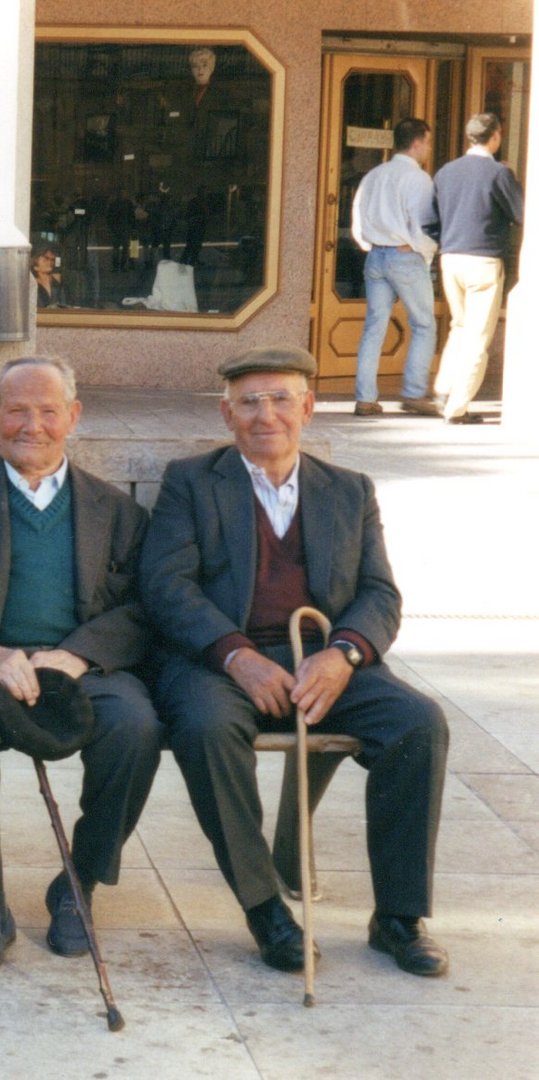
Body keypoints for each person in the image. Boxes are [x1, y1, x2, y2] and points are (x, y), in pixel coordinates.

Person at [140, 344, 450, 978]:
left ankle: (398, 916)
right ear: (227, 415)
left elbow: (379, 594)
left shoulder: (349, 490)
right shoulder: (191, 481)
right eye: (249, 402)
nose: (266, 415)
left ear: (308, 408)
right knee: (204, 729)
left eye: (281, 399)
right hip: (217, 661)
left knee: (418, 723)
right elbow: (167, 585)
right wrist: (238, 657)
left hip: (321, 660)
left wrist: (343, 655)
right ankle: (266, 911)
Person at [0, 357, 163, 970]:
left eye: (49, 411)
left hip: (79, 668)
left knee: (136, 727)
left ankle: (79, 884)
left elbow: (139, 608)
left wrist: (75, 655)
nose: (32, 425)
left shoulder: (115, 510)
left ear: (73, 417)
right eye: (17, 409)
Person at [431, 112, 525, 424]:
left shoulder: (446, 171)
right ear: (496, 135)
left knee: (459, 326)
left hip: (450, 256)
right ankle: (457, 407)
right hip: (483, 259)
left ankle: (443, 387)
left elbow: (431, 218)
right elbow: (522, 213)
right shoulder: (498, 174)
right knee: (478, 336)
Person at [350, 118, 440, 417]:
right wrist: (422, 250)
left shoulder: (374, 175)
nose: (428, 147)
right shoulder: (418, 179)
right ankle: (413, 392)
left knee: (374, 327)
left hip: (376, 256)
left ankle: (365, 398)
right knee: (424, 324)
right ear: (417, 143)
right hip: (405, 256)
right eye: (427, 142)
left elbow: (358, 218)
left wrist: (371, 245)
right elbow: (424, 225)